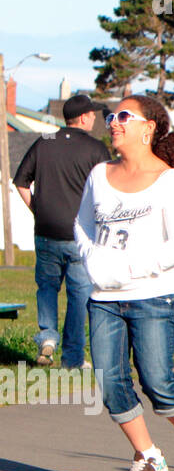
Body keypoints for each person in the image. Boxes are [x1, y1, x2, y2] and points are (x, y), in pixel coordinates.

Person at [73, 95, 174, 471]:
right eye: (110, 116)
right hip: (104, 297)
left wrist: (130, 269)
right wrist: (93, 261)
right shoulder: (99, 174)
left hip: (153, 295)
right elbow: (82, 225)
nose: (113, 122)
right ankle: (148, 456)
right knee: (109, 380)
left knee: (156, 379)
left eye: (123, 116)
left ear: (148, 127)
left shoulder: (167, 180)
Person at [14, 94, 112, 369]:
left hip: (46, 230)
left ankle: (47, 338)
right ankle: (73, 357)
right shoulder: (96, 149)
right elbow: (105, 192)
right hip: (79, 237)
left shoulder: (44, 142)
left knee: (46, 288)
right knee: (79, 295)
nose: (94, 118)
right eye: (92, 114)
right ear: (82, 117)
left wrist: (39, 210)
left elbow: (21, 183)